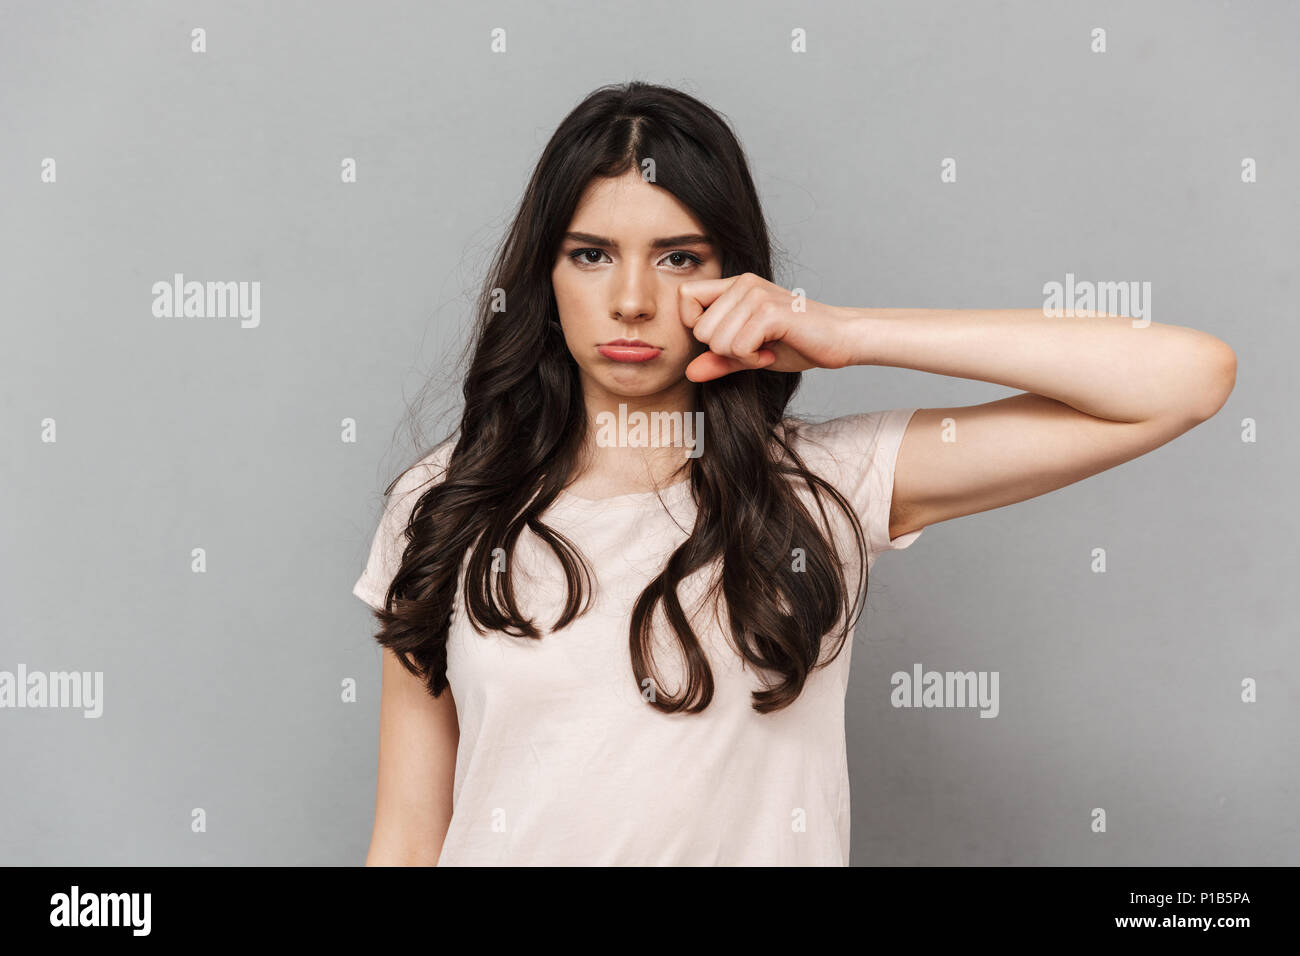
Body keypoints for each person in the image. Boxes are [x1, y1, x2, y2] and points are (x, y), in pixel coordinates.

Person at [353, 82, 1236, 866]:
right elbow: (408, 837)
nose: (630, 299)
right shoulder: (444, 503)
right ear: (544, 275)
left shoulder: (824, 487)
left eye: (679, 257)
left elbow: (1187, 381)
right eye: (591, 254)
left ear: (735, 274)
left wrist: (848, 332)